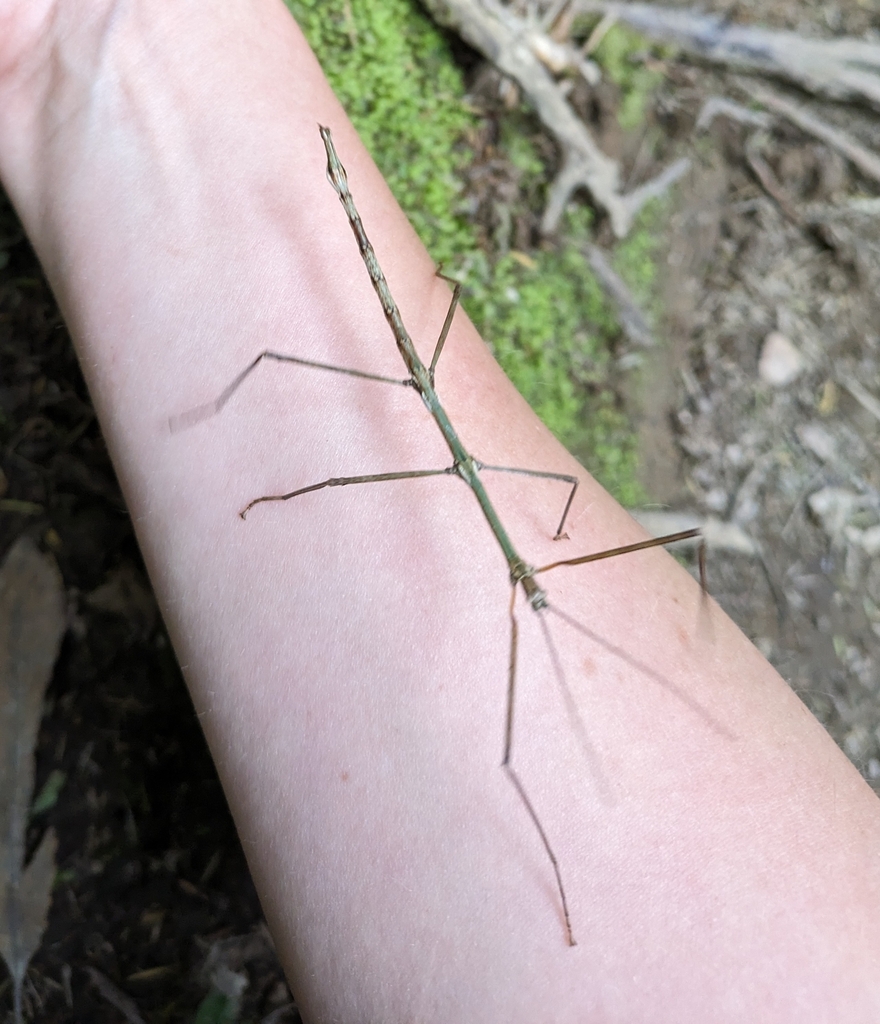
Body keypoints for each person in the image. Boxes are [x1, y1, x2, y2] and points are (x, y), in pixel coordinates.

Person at [2, 2, 880, 1020]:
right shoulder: (512, 544)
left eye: (534, 589)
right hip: (400, 353)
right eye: (534, 590)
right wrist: (292, 483)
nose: (533, 594)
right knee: (310, 396)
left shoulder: (528, 570)